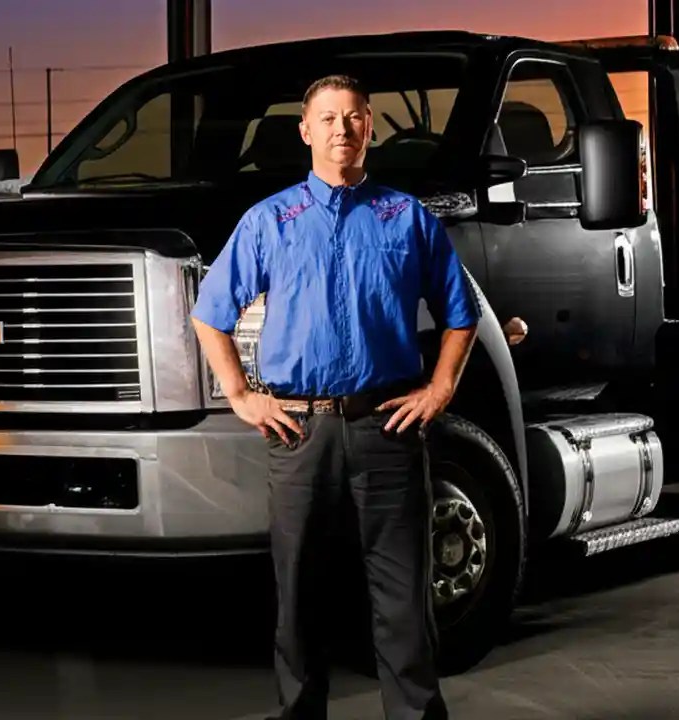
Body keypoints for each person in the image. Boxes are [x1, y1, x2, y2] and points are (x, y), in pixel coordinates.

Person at [190, 73, 479, 720]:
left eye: (353, 117)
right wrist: (241, 394)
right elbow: (210, 314)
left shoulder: (407, 218)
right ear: (306, 131)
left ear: (370, 127)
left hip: (388, 427)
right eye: (327, 118)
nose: (341, 130)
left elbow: (461, 314)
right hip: (299, 433)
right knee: (297, 596)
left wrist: (440, 388)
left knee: (404, 598)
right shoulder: (271, 220)